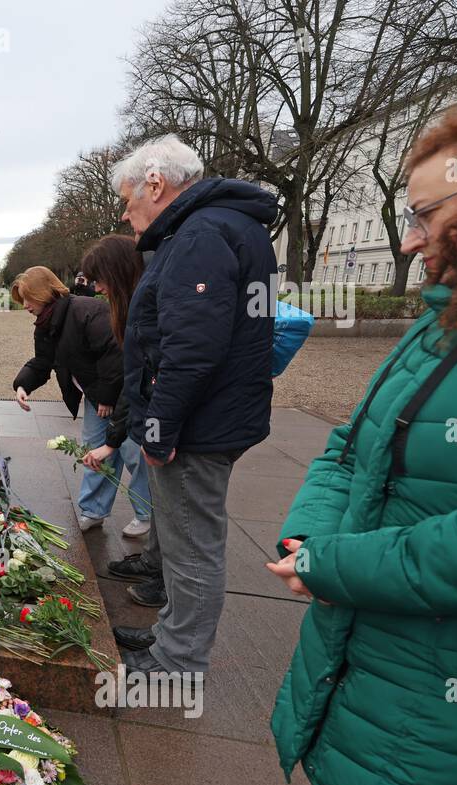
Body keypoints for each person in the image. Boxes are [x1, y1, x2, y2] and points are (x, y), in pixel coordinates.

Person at [267, 84, 457, 785]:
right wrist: (309, 535)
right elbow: (349, 445)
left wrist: (333, 564)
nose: (409, 241)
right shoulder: (445, 323)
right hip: (383, 688)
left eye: (427, 215)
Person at [110, 134, 276, 676]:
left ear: (155, 183)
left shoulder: (201, 233)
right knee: (185, 542)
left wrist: (158, 427)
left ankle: (177, 661)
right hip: (217, 415)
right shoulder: (226, 225)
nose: (129, 217)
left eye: (129, 201)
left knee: (191, 548)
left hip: (199, 426)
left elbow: (193, 347)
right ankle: (169, 637)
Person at [11, 266, 146, 532]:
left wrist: (107, 397)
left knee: (132, 453)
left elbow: (116, 354)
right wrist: (23, 384)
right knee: (94, 451)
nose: (25, 305)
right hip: (98, 396)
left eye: (28, 298)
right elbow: (43, 361)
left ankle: (147, 514)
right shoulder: (46, 322)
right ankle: (93, 510)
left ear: (45, 292)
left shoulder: (86, 311)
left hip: (121, 395)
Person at [78, 235, 163, 613]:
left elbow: (139, 380)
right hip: (151, 411)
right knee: (164, 495)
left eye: (100, 279)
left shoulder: (148, 309)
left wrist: (112, 441)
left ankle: (169, 598)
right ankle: (155, 564)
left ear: (119, 272)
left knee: (180, 511)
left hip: (175, 418)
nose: (96, 288)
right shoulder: (132, 307)